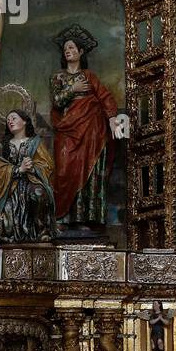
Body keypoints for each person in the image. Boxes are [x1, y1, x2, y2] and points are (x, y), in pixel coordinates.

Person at [50, 26, 123, 234]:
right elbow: (56, 101)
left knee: (90, 173)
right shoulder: (58, 78)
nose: (68, 51)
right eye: (65, 48)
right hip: (67, 131)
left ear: (81, 52)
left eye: (72, 47)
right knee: (64, 171)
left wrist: (111, 120)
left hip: (92, 131)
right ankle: (62, 217)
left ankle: (85, 219)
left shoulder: (90, 76)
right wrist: (72, 89)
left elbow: (105, 97)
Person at [0, 109, 55, 242]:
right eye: (8, 120)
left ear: (24, 121)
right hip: (9, 186)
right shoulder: (3, 144)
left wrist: (32, 167)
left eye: (13, 118)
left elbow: (48, 164)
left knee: (38, 193)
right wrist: (18, 170)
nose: (10, 121)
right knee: (6, 217)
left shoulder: (35, 143)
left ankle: (41, 231)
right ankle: (8, 234)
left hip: (31, 183)